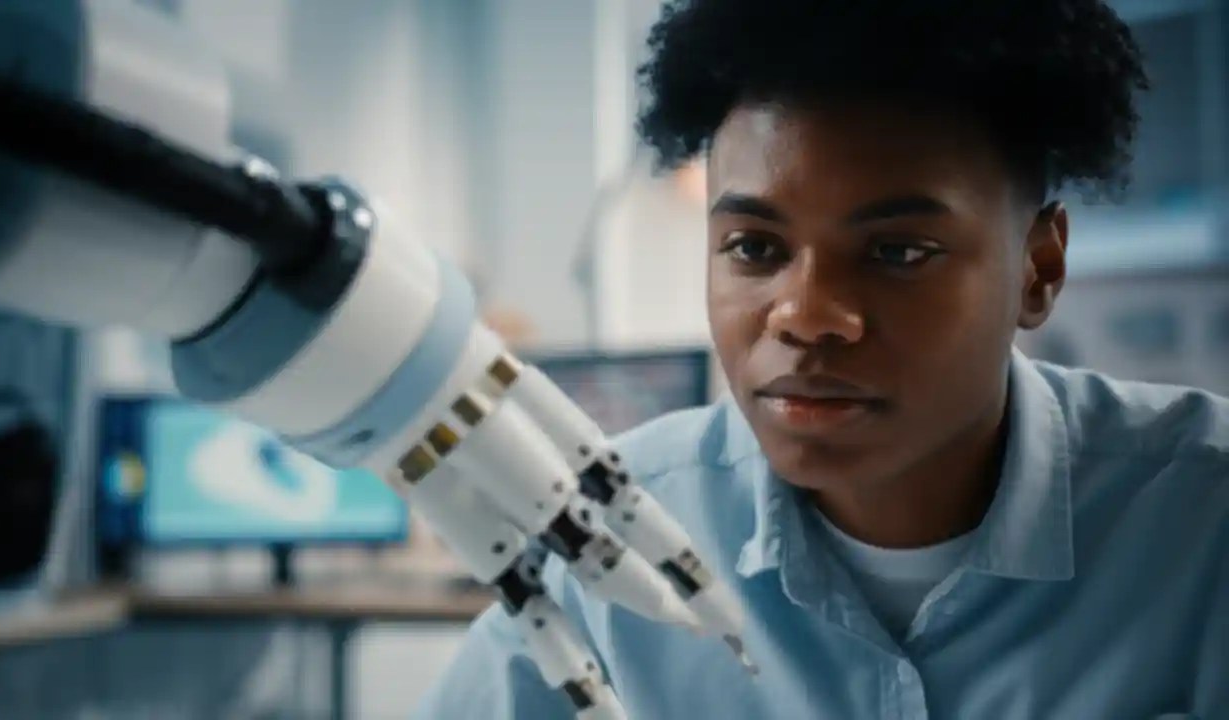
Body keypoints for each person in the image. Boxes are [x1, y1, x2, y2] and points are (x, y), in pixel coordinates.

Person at [416, 1, 1228, 717]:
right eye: (754, 247)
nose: (806, 315)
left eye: (899, 252)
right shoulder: (612, 532)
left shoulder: (1204, 523)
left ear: (1038, 268)